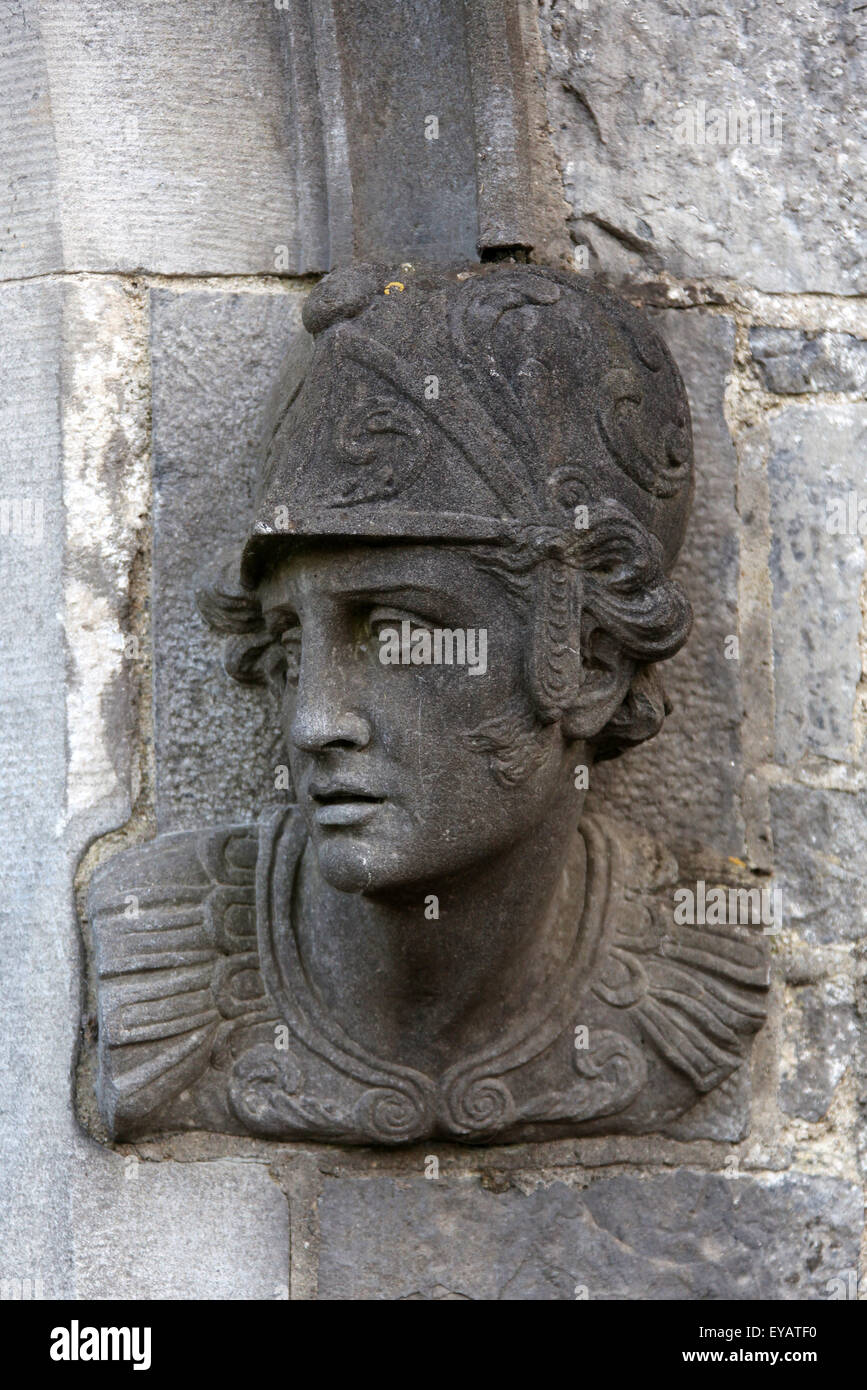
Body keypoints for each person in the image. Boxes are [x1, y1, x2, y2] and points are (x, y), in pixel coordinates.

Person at [90, 263, 767, 1144]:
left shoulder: (690, 978)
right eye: (293, 645)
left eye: (399, 632)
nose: (313, 721)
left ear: (590, 662)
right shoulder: (162, 974)